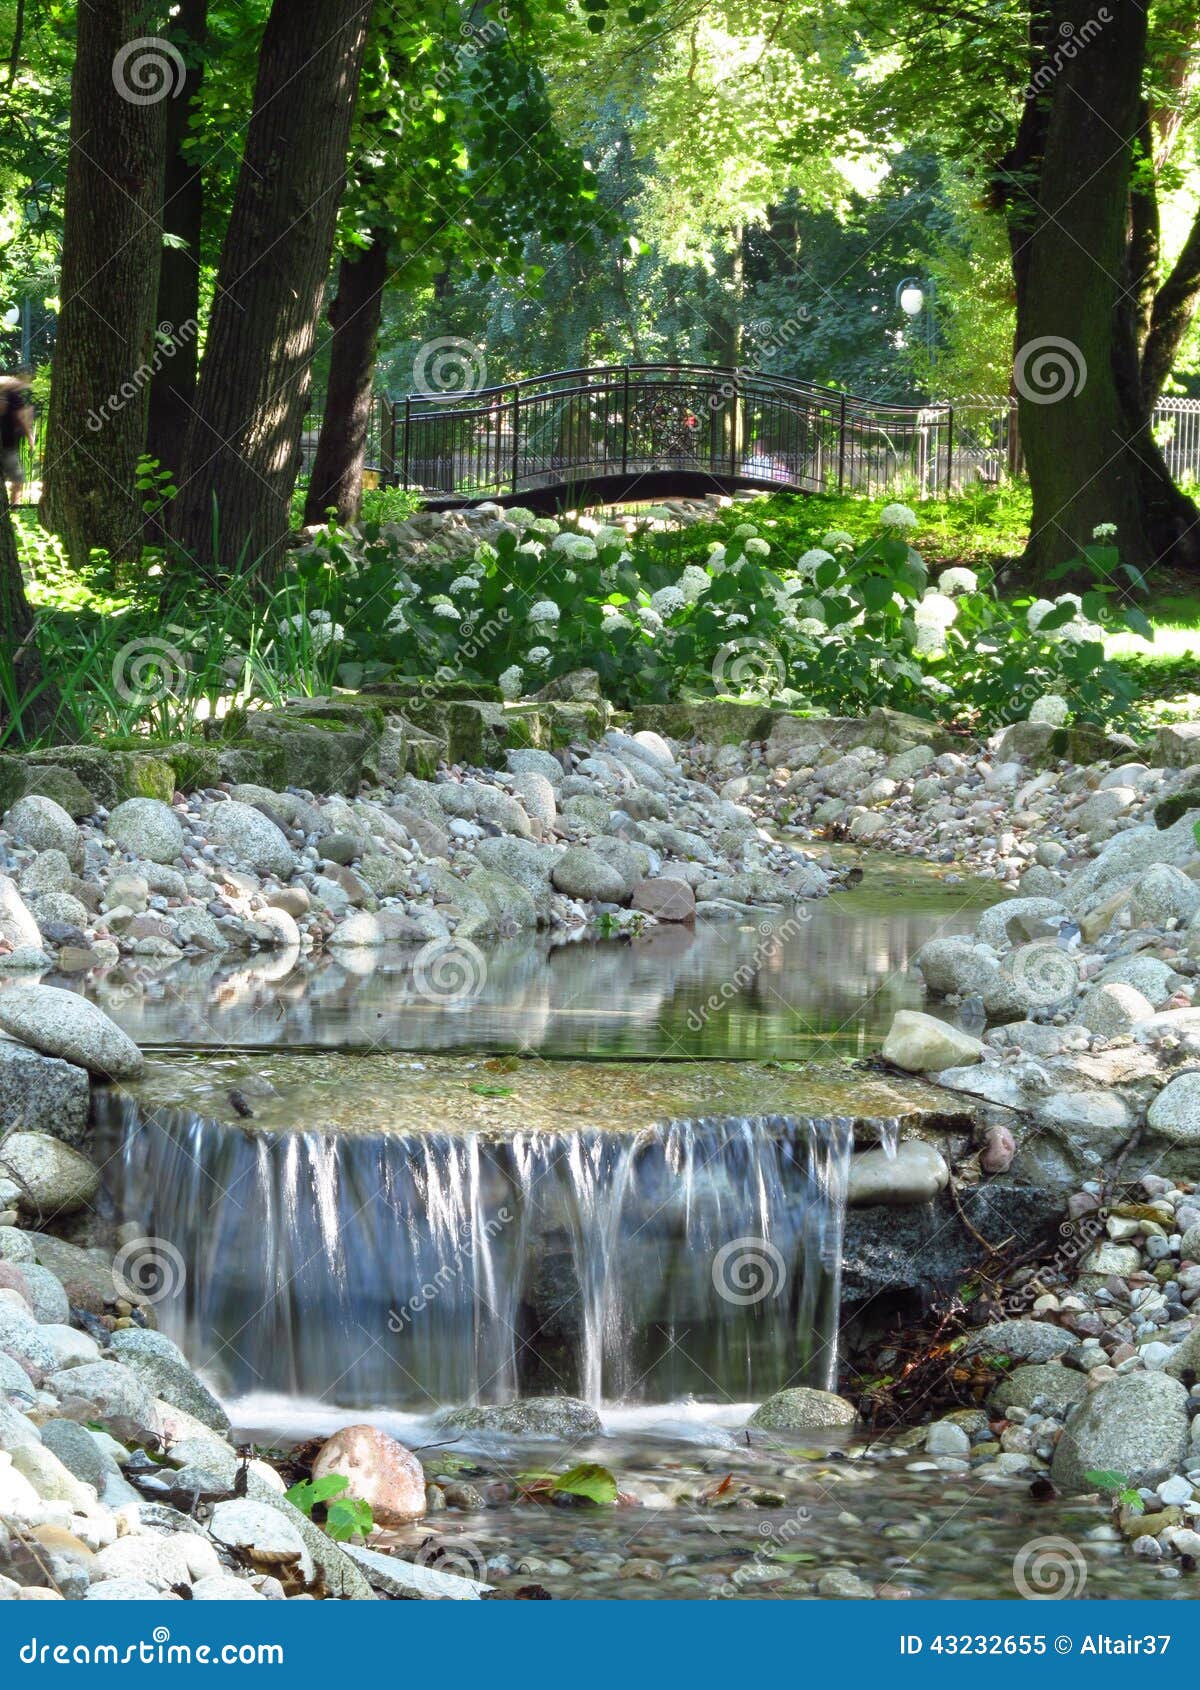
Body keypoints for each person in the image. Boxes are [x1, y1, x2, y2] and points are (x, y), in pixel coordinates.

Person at [0, 371, 34, 503]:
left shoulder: (8, 394)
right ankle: (15, 505)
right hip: (8, 443)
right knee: (18, 479)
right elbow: (21, 418)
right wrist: (30, 436)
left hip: (7, 441)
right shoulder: (15, 396)